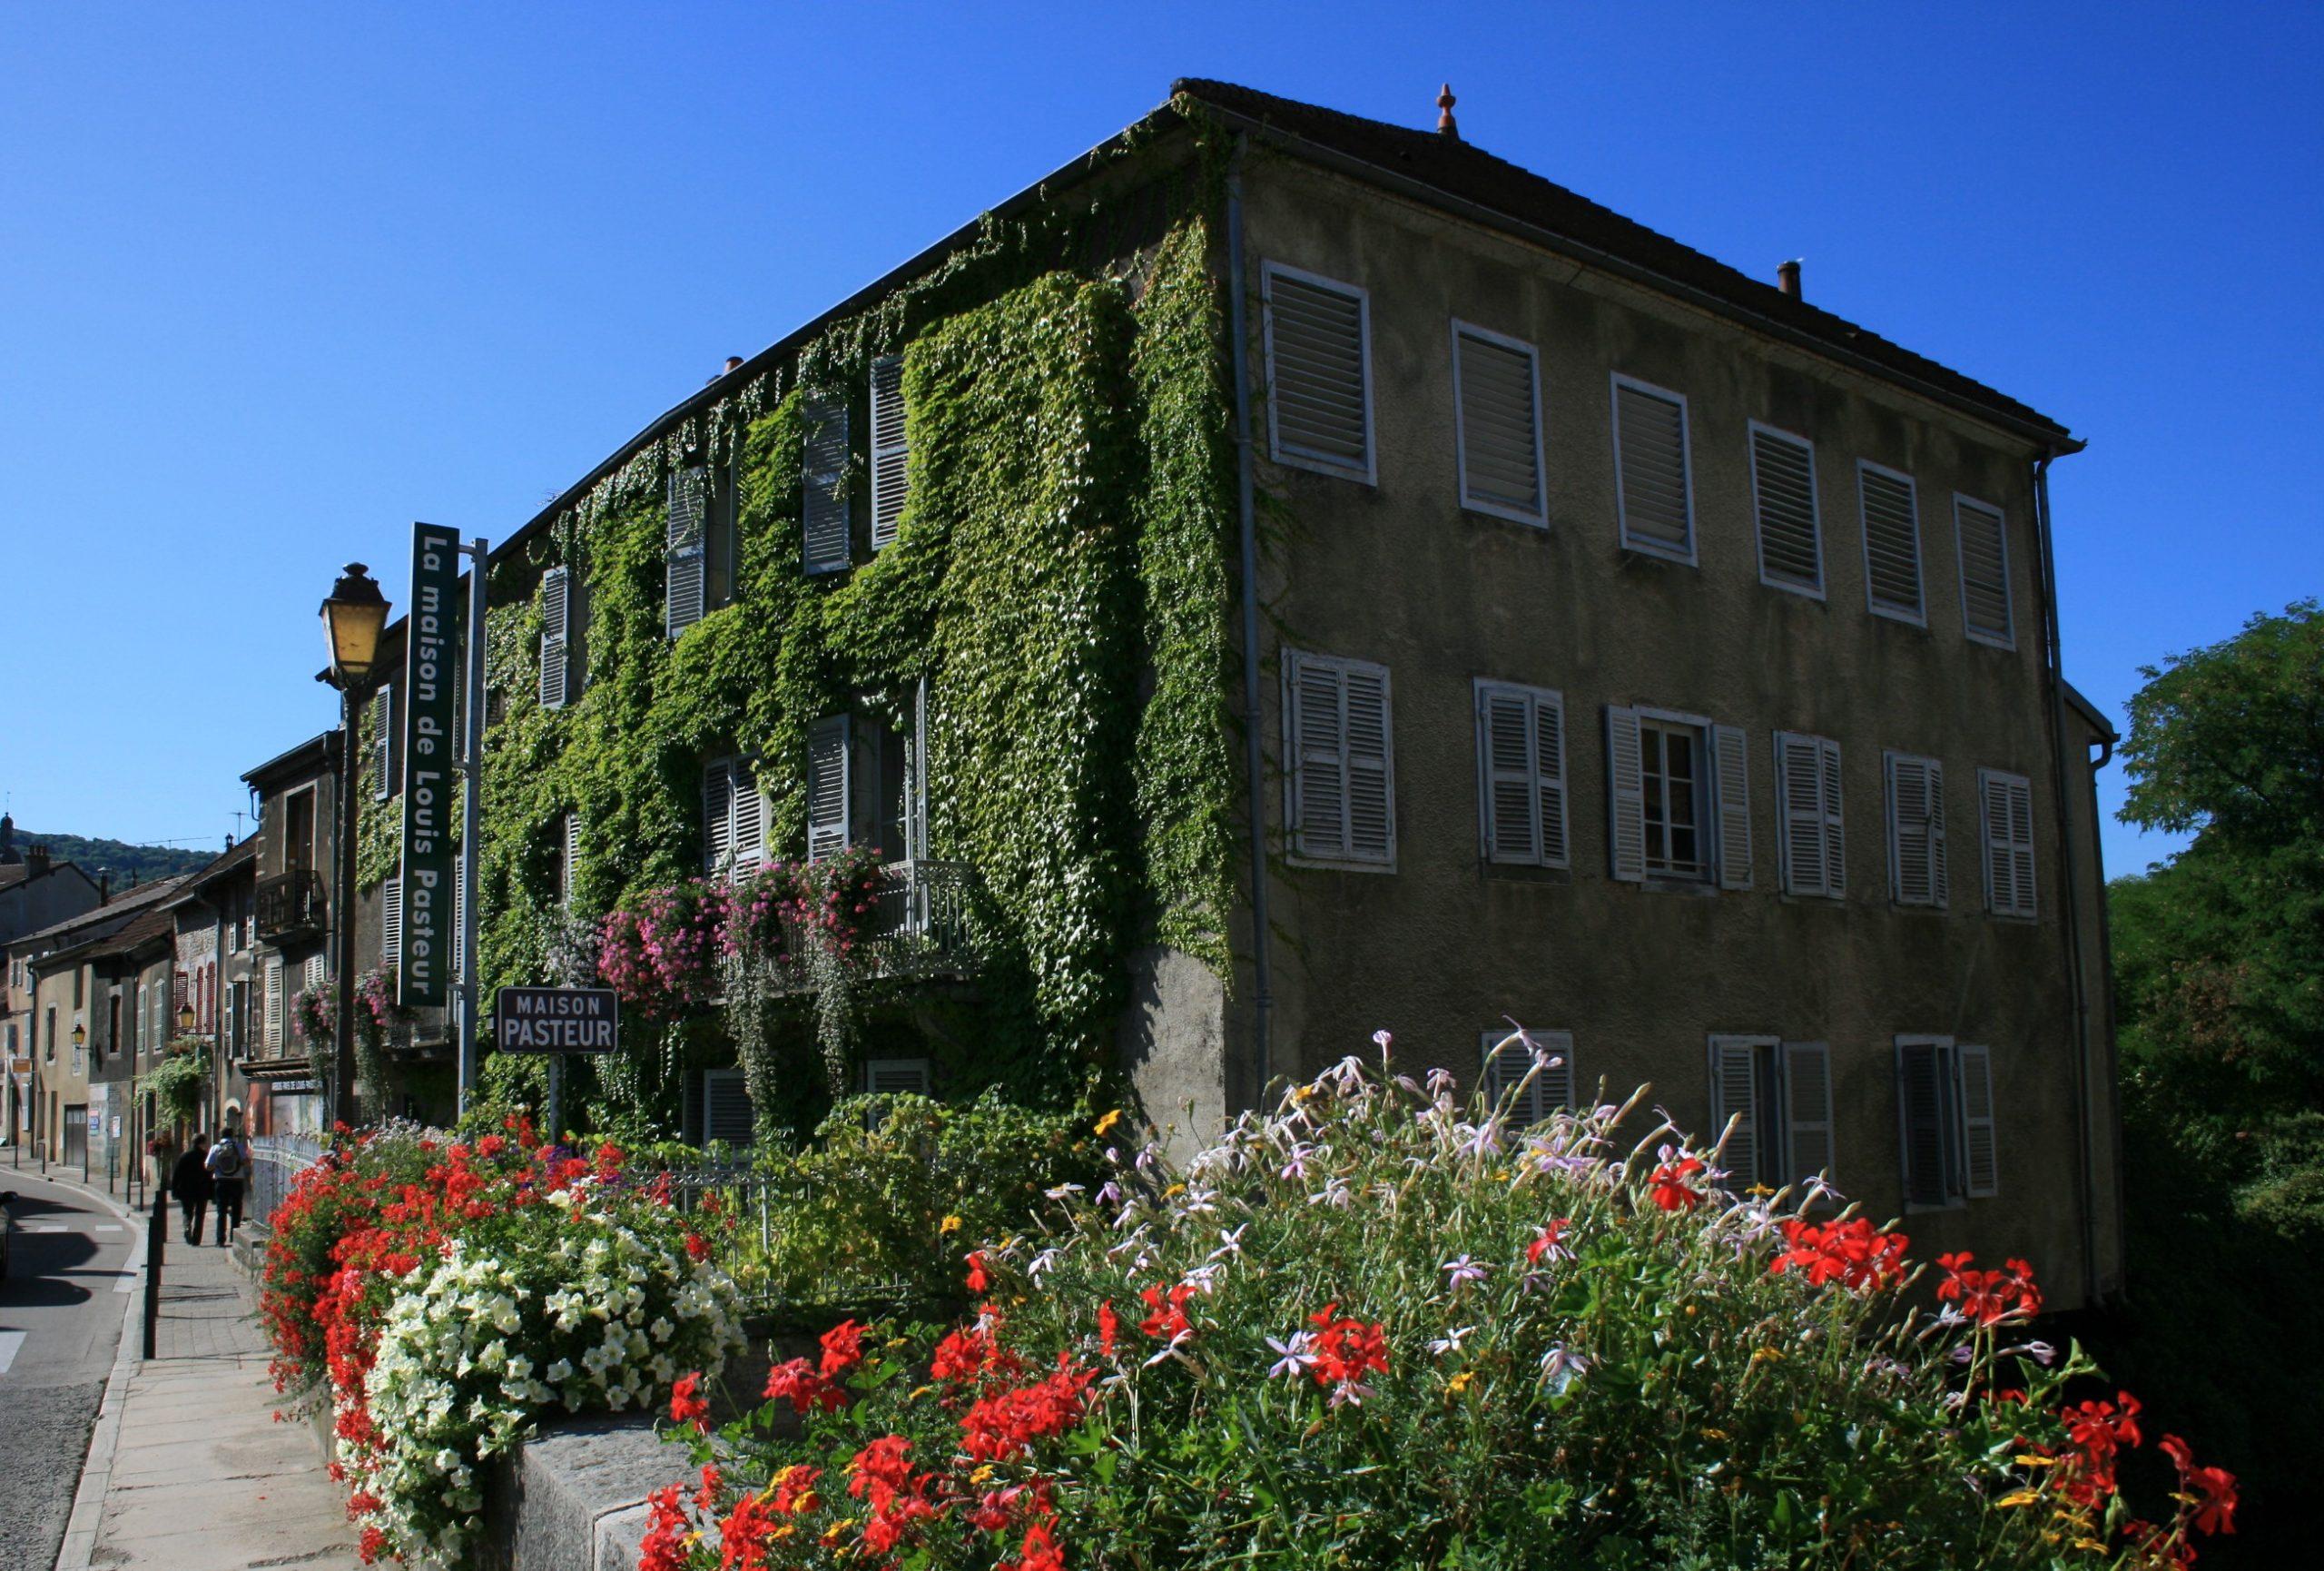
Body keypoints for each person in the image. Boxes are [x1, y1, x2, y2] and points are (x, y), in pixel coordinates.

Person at [205, 1126, 248, 1247]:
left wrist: (219, 1166)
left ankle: (220, 1239)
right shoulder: (239, 1146)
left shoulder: (216, 1148)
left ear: (221, 1136)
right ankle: (235, 1237)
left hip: (221, 1182)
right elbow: (246, 1162)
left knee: (221, 1211)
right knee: (236, 1210)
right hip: (237, 1181)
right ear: (233, 1135)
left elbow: (208, 1166)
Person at [171, 1133, 213, 1245]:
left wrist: (174, 1189)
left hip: (186, 1189)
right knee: (200, 1214)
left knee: (187, 1211)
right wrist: (211, 1190)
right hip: (201, 1189)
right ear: (202, 1143)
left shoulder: (184, 1156)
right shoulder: (205, 1156)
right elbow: (210, 1174)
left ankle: (187, 1227)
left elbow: (177, 1174)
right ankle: (196, 1238)